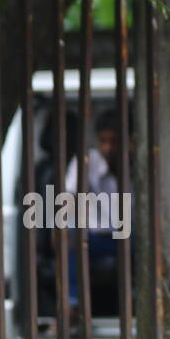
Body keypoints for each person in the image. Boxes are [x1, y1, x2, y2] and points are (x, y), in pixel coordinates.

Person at [64, 106, 126, 319]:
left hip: (129, 237)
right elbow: (70, 196)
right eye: (103, 141)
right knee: (71, 235)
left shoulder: (137, 162)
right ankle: (73, 305)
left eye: (115, 141)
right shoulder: (86, 162)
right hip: (94, 237)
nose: (108, 148)